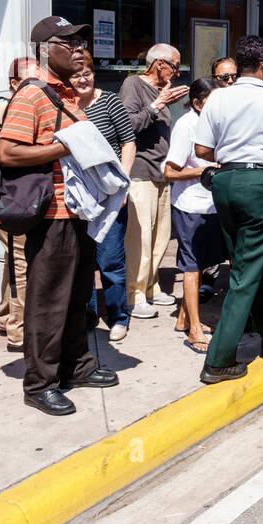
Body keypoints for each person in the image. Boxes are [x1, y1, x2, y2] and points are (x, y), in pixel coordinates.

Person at [0, 16, 118, 416]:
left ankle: (76, 367)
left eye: (82, 41)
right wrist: (66, 148)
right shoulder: (32, 95)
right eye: (69, 43)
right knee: (48, 303)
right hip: (51, 216)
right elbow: (8, 152)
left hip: (79, 214)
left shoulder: (67, 97)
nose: (79, 49)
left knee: (76, 300)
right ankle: (40, 383)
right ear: (46, 50)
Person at [193, 35, 263, 383]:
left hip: (225, 182)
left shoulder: (218, 98)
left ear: (238, 65)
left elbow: (202, 149)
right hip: (261, 184)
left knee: (245, 265)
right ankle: (218, 359)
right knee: (246, 273)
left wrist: (230, 151)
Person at [119, 43, 189, 319]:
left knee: (161, 236)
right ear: (159, 64)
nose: (177, 73)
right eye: (175, 66)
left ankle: (151, 286)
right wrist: (158, 104)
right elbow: (127, 125)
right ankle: (134, 294)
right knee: (140, 239)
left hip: (161, 172)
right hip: (140, 171)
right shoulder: (133, 85)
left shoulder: (163, 90)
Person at [70, 58, 136, 342]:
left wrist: (123, 184)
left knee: (110, 261)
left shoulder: (109, 102)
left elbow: (129, 142)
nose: (82, 80)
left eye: (87, 74)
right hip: (79, 195)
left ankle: (119, 317)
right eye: (76, 76)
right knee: (83, 261)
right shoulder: (66, 105)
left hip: (110, 193)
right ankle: (88, 315)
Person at [0, 58, 40, 353]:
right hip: (12, 202)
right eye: (32, 81)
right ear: (14, 83)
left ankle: (7, 316)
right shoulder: (5, 110)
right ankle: (19, 332)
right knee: (21, 264)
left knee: (13, 262)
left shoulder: (15, 107)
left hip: (14, 201)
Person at [165, 77, 223, 351]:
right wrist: (202, 171)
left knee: (200, 264)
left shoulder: (213, 123)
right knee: (191, 266)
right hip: (190, 206)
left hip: (211, 205)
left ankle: (184, 318)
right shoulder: (186, 125)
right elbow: (170, 171)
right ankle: (194, 331)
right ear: (198, 103)